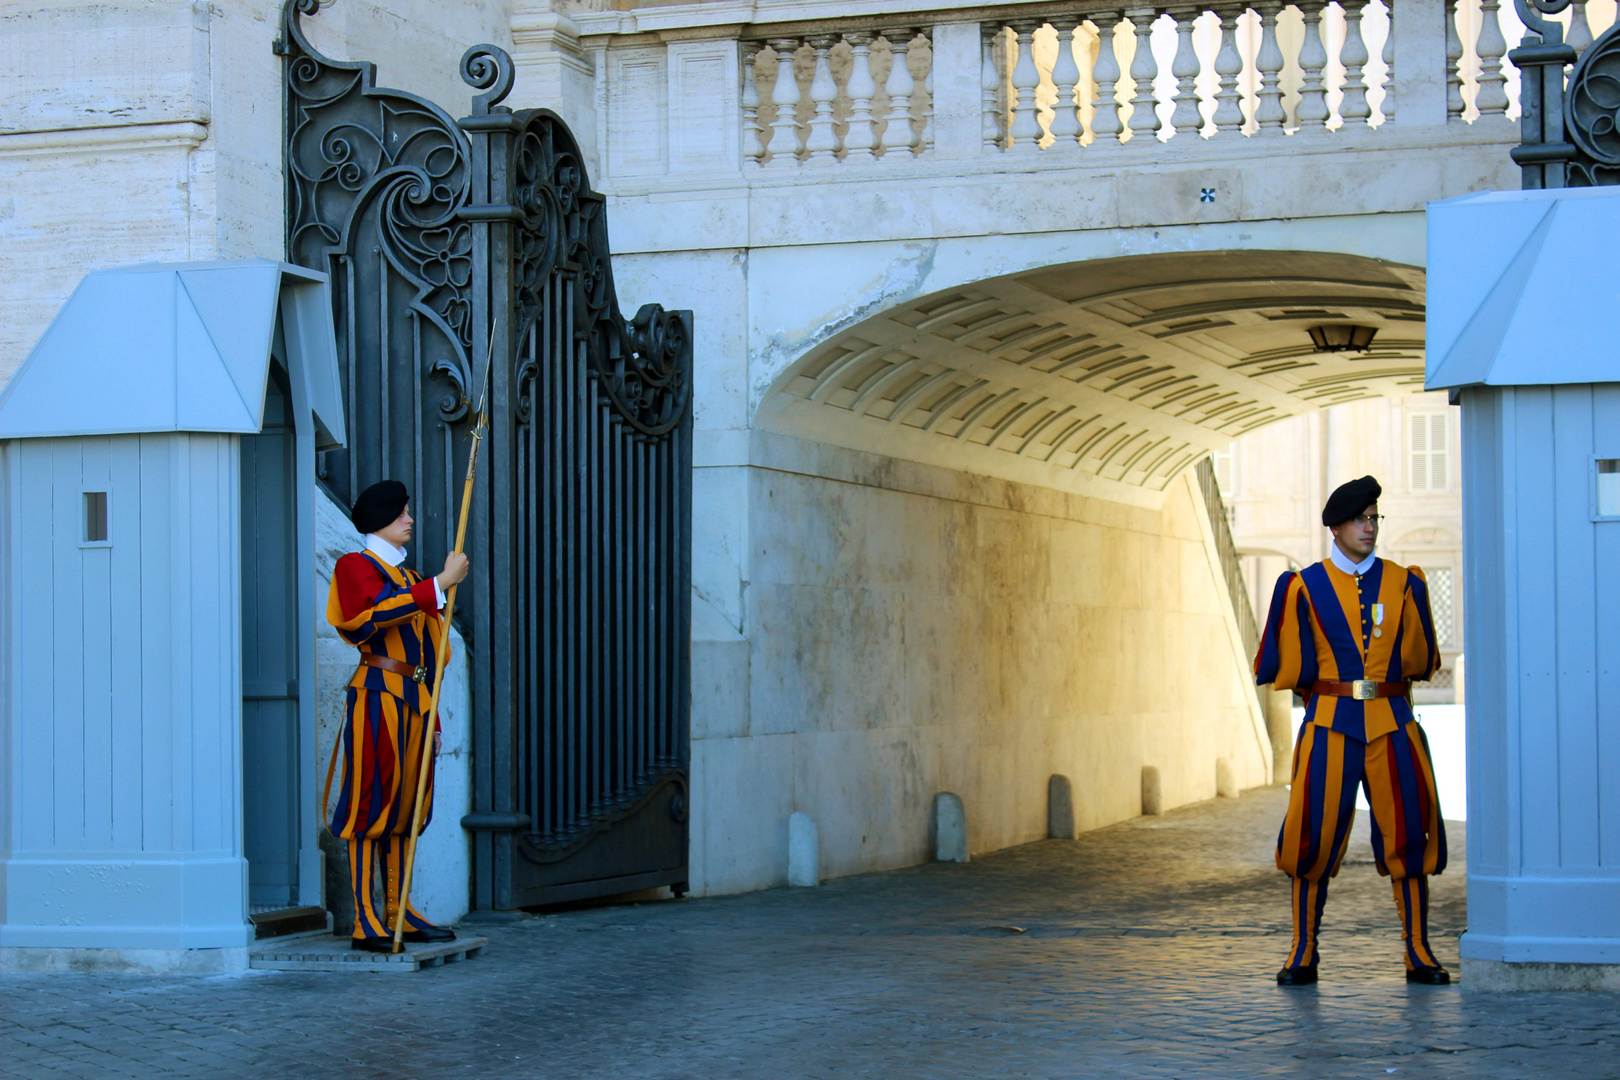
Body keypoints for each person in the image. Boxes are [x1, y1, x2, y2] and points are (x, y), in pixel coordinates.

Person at [1254, 475, 1450, 986]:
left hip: (1392, 724)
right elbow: (1290, 666)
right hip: (1330, 727)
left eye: (1374, 518)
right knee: (1311, 839)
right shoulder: (1304, 586)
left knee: (1409, 834)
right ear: (1336, 528)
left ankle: (1418, 951)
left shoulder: (1405, 581)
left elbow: (1419, 658)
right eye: (1360, 520)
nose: (1370, 527)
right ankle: (1303, 950)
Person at [324, 479, 469, 951]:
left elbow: (435, 649)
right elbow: (365, 619)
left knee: (409, 806)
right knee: (372, 803)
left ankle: (397, 907)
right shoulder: (354, 566)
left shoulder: (408, 579)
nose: (409, 519)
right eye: (402, 512)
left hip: (415, 697)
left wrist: (436, 717)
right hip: (379, 694)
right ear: (381, 519)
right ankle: (367, 919)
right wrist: (439, 584)